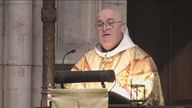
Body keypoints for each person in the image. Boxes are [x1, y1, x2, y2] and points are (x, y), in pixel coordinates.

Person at [65, 8, 164, 105]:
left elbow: (145, 93)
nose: (104, 28)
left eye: (110, 23)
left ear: (122, 27)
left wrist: (111, 95)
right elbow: (70, 88)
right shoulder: (87, 59)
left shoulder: (140, 60)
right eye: (100, 24)